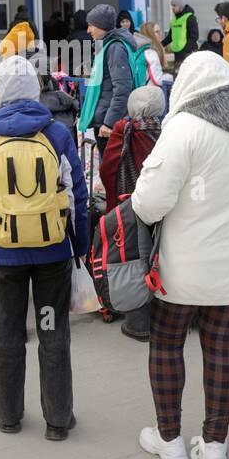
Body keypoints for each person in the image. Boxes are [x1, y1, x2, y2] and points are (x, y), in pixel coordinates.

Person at [131, 52, 229, 459]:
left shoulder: (185, 128)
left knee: (166, 345)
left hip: (182, 267)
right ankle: (215, 444)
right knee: (222, 349)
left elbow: (149, 203)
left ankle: (169, 438)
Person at [0, 55, 89, 440]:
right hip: (52, 251)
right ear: (35, 89)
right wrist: (78, 244)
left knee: (7, 333)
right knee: (53, 333)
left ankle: (9, 417)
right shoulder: (56, 131)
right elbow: (77, 195)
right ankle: (57, 420)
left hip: (5, 254)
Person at [97, 84, 165, 342]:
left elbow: (108, 168)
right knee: (161, 256)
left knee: (136, 259)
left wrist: (116, 200)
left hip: (129, 205)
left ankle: (137, 320)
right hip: (162, 205)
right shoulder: (169, 129)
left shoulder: (122, 129)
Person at [77, 4, 137, 143]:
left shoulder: (115, 48)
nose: (88, 30)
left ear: (101, 26)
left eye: (91, 25)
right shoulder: (106, 46)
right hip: (105, 119)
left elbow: (122, 88)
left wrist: (109, 123)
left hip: (109, 125)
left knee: (111, 165)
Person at [161, 0, 199, 70]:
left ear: (181, 6)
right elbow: (170, 37)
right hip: (177, 53)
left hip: (187, 53)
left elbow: (193, 37)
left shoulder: (190, 18)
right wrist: (159, 45)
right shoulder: (174, 20)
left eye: (174, 6)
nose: (172, 8)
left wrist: (185, 51)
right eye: (172, 6)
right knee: (178, 76)